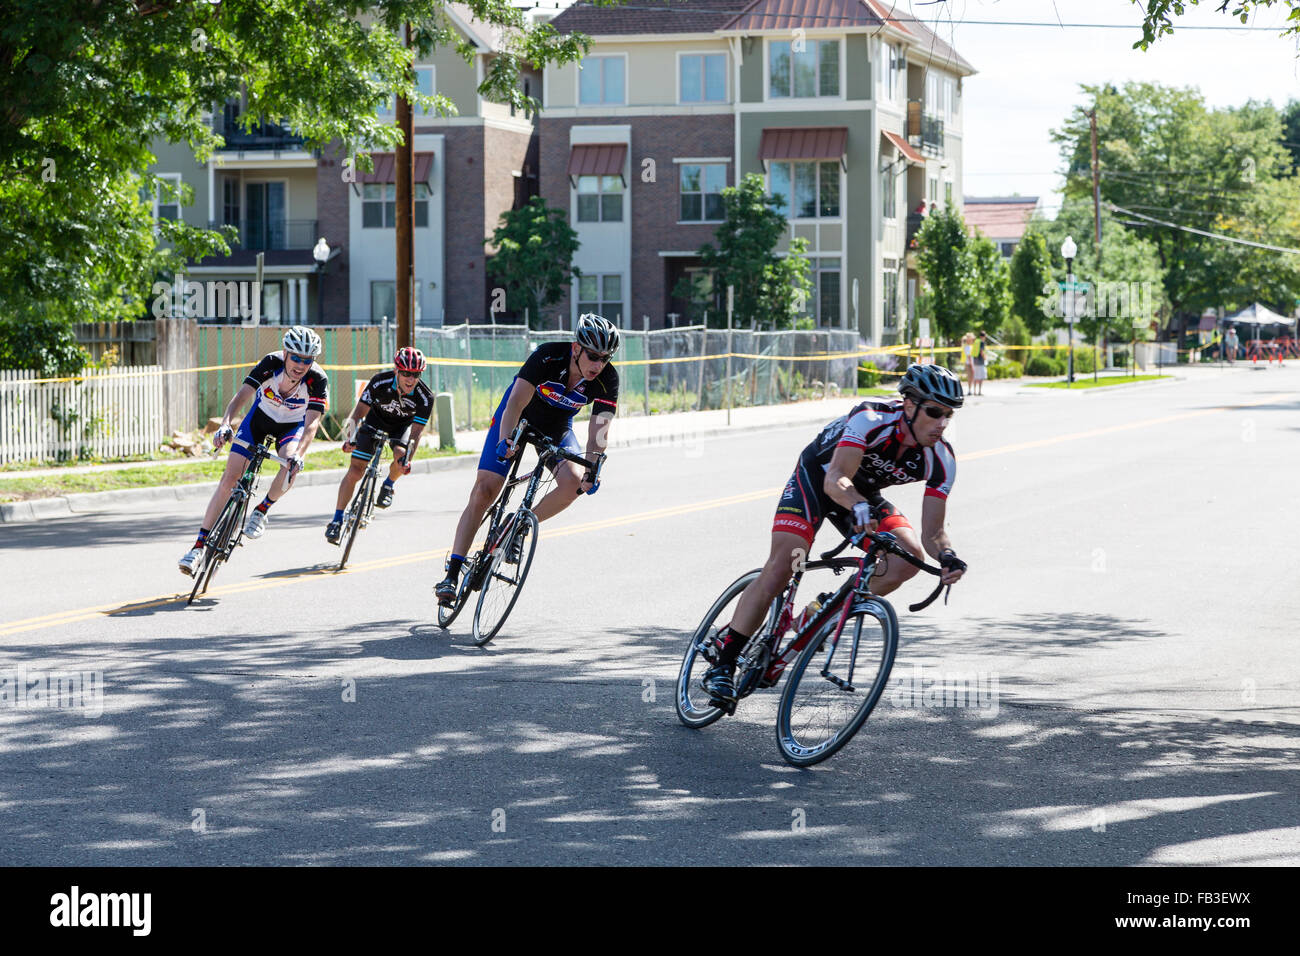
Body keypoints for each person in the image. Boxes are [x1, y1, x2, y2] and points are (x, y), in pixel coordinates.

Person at [700, 364, 968, 708]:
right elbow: (837, 477)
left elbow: (934, 532)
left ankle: (823, 610)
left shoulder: (941, 458)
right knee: (785, 565)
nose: (942, 423)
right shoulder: (871, 419)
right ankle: (724, 663)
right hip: (819, 479)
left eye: (949, 415)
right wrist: (857, 507)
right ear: (910, 404)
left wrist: (947, 555)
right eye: (934, 412)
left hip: (863, 495)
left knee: (907, 560)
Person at [434, 313, 620, 604]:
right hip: (518, 418)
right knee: (486, 489)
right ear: (576, 349)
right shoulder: (547, 357)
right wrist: (505, 440)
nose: (598, 365)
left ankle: (517, 526)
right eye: (593, 356)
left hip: (557, 427)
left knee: (573, 485)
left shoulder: (608, 379)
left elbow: (599, 431)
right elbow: (516, 402)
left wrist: (593, 465)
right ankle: (452, 573)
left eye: (605, 358)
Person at [179, 326, 328, 574]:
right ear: (285, 353)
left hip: (290, 427)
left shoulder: (317, 379)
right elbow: (241, 396)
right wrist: (226, 424)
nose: (301, 365)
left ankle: (262, 509)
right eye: (296, 358)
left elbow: (312, 423)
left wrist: (298, 454)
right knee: (229, 479)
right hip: (259, 419)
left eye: (307, 360)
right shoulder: (270, 363)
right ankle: (197, 547)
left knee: (290, 465)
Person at [326, 347, 434, 543]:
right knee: (355, 471)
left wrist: (407, 459)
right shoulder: (379, 382)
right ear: (397, 371)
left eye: (416, 374)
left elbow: (416, 433)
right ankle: (336, 520)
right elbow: (358, 413)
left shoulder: (425, 397)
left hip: (401, 428)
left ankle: (388, 485)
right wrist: (350, 438)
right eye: (406, 374)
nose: (410, 379)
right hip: (374, 421)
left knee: (401, 456)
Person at [972, 330, 988, 396]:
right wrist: (985, 358)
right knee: (981, 377)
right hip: (980, 361)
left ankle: (975, 391)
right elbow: (981, 351)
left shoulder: (976, 341)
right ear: (984, 336)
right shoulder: (982, 342)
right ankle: (979, 391)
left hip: (975, 360)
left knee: (976, 376)